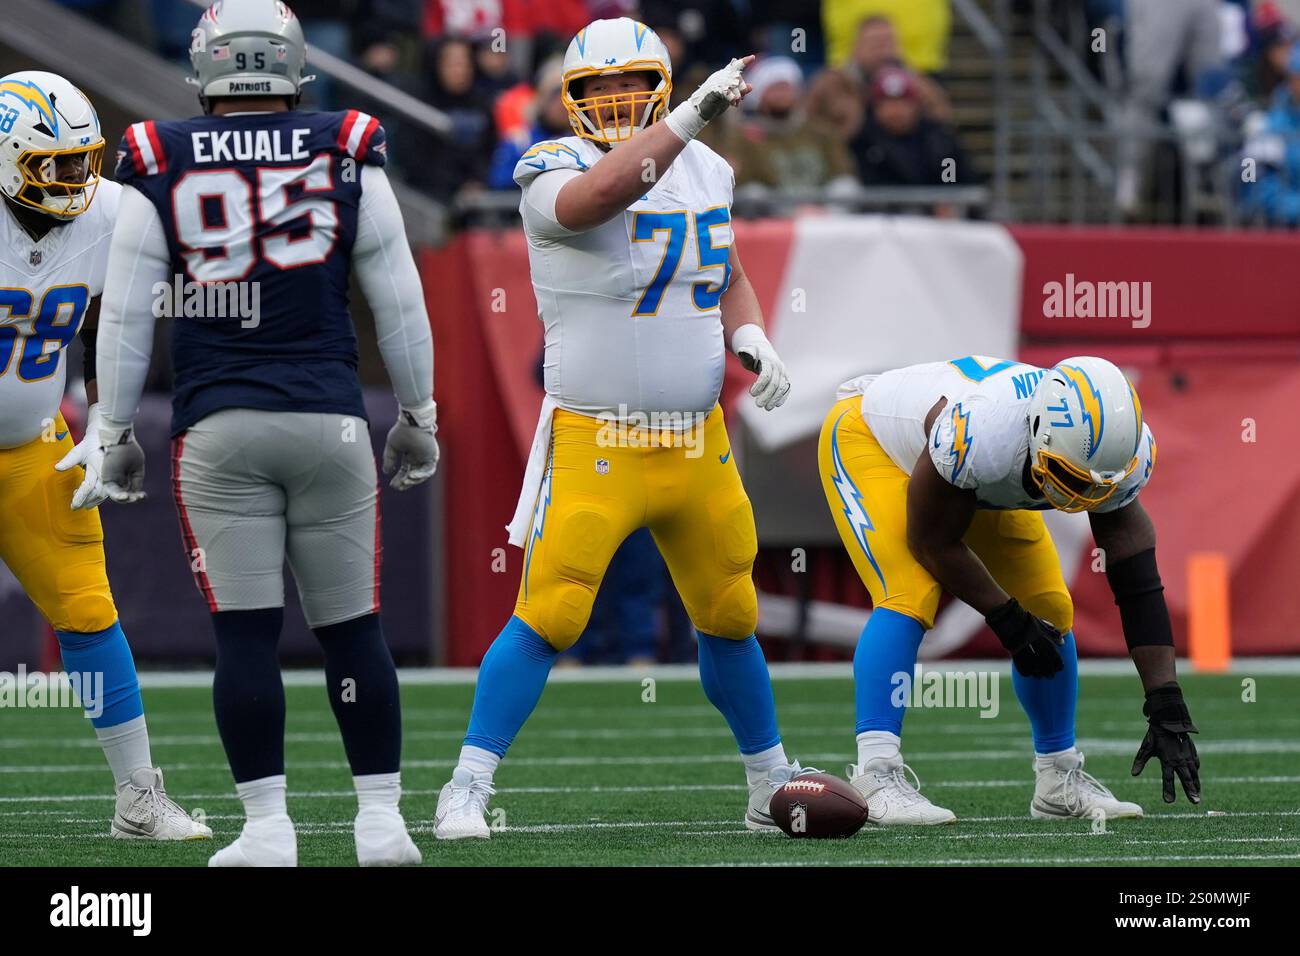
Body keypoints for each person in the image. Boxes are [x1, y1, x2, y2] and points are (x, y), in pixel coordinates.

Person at [433, 17, 813, 840]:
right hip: (599, 438)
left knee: (731, 612)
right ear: (570, 100)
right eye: (598, 89)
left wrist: (748, 332)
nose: (615, 101)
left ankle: (766, 779)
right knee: (552, 612)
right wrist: (685, 121)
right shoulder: (550, 166)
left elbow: (731, 273)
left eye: (631, 86)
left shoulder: (708, 166)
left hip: (696, 438)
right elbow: (602, 196)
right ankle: (466, 784)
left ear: (660, 89)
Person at [89, 0, 438, 867]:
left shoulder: (158, 156)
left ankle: (269, 831)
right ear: (294, 66)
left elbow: (129, 314)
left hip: (221, 427)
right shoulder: (345, 142)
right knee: (354, 632)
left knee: (246, 636)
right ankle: (381, 823)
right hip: (332, 420)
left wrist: (112, 429)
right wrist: (421, 416)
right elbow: (399, 299)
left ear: (206, 68)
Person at [818, 356, 1201, 824]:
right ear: (1039, 434)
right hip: (872, 440)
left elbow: (1137, 581)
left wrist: (1165, 699)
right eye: (1072, 479)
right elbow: (931, 542)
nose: (1082, 501)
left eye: (1096, 489)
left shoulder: (1116, 453)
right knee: (909, 593)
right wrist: (1005, 618)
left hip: (965, 475)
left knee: (1050, 609)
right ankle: (875, 773)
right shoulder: (983, 431)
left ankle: (1058, 778)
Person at [0, 69, 209, 842]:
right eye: (51, 164)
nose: (74, 180)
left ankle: (138, 800)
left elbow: (121, 319)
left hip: (30, 447)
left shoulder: (114, 213)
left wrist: (104, 421)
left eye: (84, 160)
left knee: (88, 608)